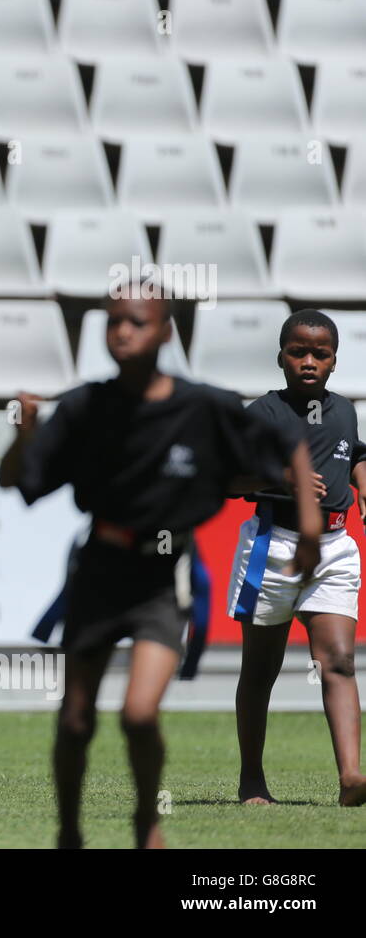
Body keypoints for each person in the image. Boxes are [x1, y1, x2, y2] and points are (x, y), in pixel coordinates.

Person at [0, 286, 322, 848]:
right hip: (99, 569)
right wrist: (24, 437)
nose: (124, 332)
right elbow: (16, 480)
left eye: (138, 323)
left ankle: (146, 822)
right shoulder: (84, 406)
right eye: (114, 322)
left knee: (139, 715)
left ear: (165, 332)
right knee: (75, 720)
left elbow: (288, 443)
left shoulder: (204, 405)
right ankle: (70, 833)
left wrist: (311, 527)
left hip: (162, 574)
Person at [228, 310, 366, 806]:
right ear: (281, 357)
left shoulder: (345, 410)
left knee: (340, 662)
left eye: (320, 354)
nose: (308, 361)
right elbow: (226, 480)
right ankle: (252, 782)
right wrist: (279, 481)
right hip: (274, 545)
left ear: (333, 361)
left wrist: (362, 479)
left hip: (333, 546)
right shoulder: (262, 414)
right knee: (260, 670)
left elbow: (356, 453)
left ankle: (351, 778)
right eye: (298, 352)